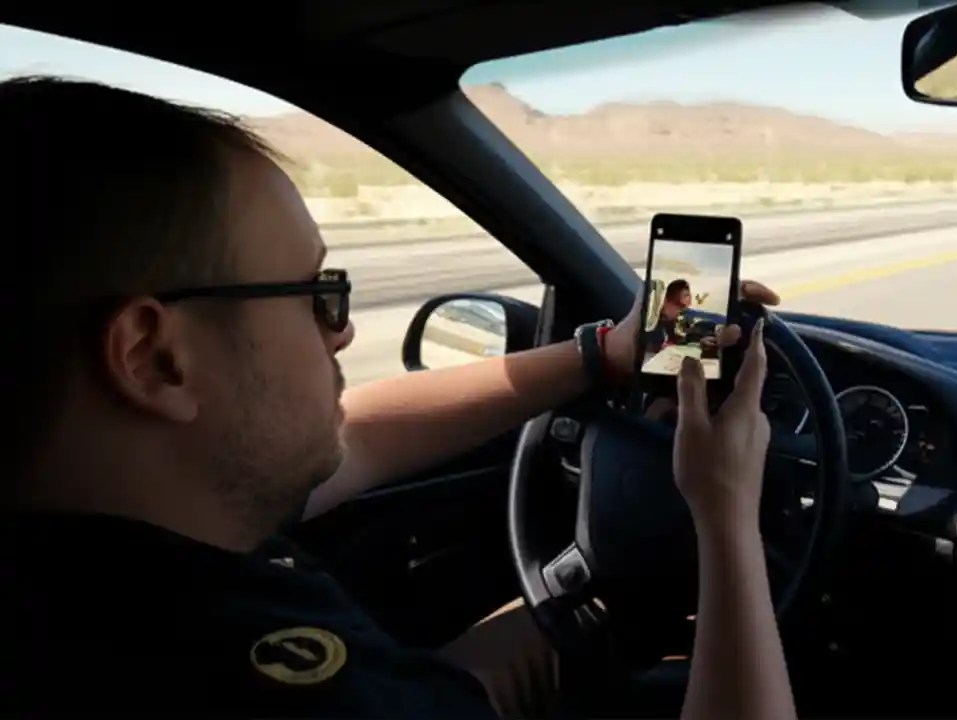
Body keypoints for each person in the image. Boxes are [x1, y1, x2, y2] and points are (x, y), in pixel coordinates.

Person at [1, 75, 795, 720]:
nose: (340, 333)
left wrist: (602, 354)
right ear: (156, 359)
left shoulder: (116, 530)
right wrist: (724, 518)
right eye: (315, 293)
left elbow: (359, 438)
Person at [644, 278, 693, 354]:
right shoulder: (650, 324)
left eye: (684, 308)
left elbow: (676, 339)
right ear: (666, 300)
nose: (680, 312)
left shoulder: (670, 323)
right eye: (680, 306)